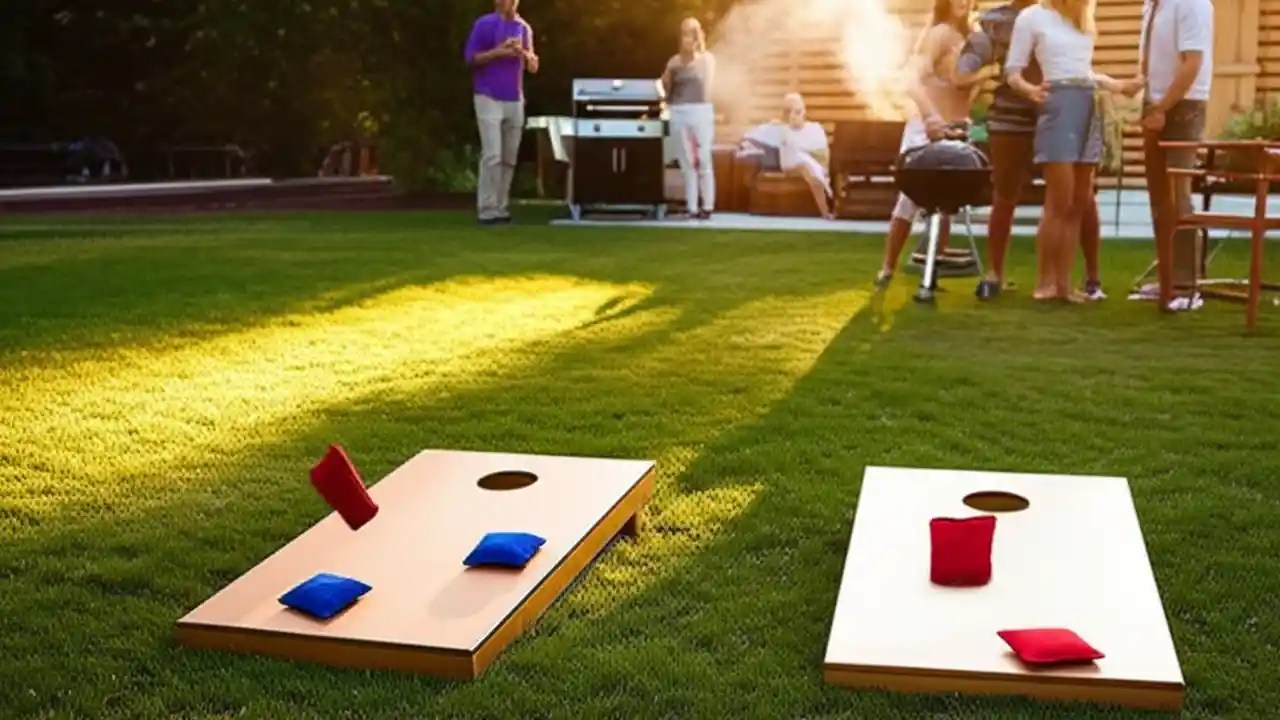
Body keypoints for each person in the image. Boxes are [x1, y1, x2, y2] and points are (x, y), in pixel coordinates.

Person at [954, 0, 1106, 300]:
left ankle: (1087, 277)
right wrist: (991, 70)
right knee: (1006, 195)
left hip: (1060, 113)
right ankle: (995, 272)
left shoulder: (1064, 13)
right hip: (1012, 117)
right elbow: (964, 69)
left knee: (1081, 197)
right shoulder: (992, 21)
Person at [1005, 0, 1140, 301]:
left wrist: (1119, 86)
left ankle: (1065, 285)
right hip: (1058, 104)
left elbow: (1084, 72)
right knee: (1060, 199)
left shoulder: (1083, 17)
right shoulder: (1032, 17)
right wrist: (1031, 90)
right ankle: (1044, 282)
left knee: (1080, 199)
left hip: (1088, 104)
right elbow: (1012, 71)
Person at [876, 0, 976, 287]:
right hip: (926, 127)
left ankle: (932, 268)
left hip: (954, 130)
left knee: (947, 202)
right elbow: (911, 81)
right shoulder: (939, 33)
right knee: (909, 200)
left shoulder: (969, 38)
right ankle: (887, 269)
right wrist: (930, 116)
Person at [1138, 0, 1214, 299]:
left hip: (1184, 106)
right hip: (1155, 102)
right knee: (1159, 197)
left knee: (1177, 194)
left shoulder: (1191, 3)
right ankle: (1168, 277)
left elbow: (1192, 62)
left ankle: (1185, 284)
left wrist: (1163, 107)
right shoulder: (1152, 5)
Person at [464, 0, 539, 225]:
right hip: (488, 96)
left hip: (515, 98)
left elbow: (533, 66)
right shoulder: (484, 24)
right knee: (492, 154)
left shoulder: (524, 28)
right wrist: (498, 52)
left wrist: (524, 54)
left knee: (509, 158)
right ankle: (486, 209)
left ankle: (501, 206)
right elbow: (471, 58)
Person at [662, 17, 717, 220]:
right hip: (678, 111)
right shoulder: (674, 62)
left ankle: (708, 205)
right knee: (686, 162)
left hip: (700, 111)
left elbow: (707, 87)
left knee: (703, 159)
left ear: (697, 36)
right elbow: (664, 85)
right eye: (684, 33)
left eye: (691, 33)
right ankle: (692, 207)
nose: (688, 38)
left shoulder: (707, 60)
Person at [778, 93, 836, 220]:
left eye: (798, 111)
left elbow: (823, 152)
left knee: (813, 167)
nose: (794, 115)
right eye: (790, 111)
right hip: (792, 163)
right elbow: (789, 155)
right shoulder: (783, 131)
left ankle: (829, 206)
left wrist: (821, 164)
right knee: (806, 166)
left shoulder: (815, 128)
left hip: (815, 163)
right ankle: (825, 211)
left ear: (804, 111)